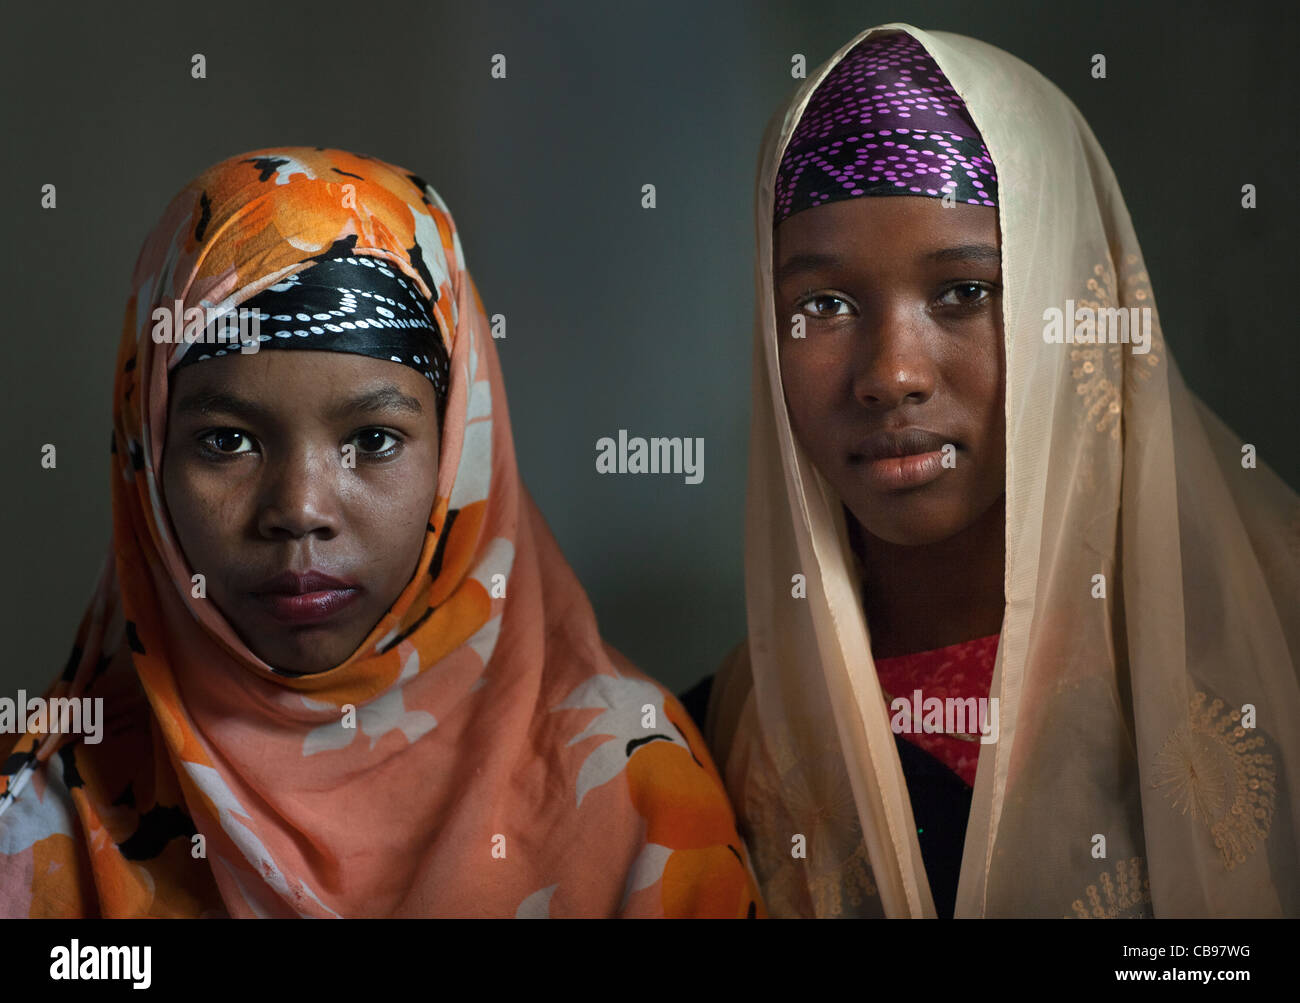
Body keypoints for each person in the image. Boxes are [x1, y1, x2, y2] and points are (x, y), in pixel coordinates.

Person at [0, 147, 764, 918]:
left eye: (372, 439)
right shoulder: (44, 820)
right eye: (228, 440)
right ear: (148, 455)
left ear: (459, 453)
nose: (301, 508)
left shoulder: (638, 793)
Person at [701, 26, 1299, 917]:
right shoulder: (733, 736)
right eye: (823, 304)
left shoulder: (1267, 650)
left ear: (1077, 305)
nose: (892, 374)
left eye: (964, 292)